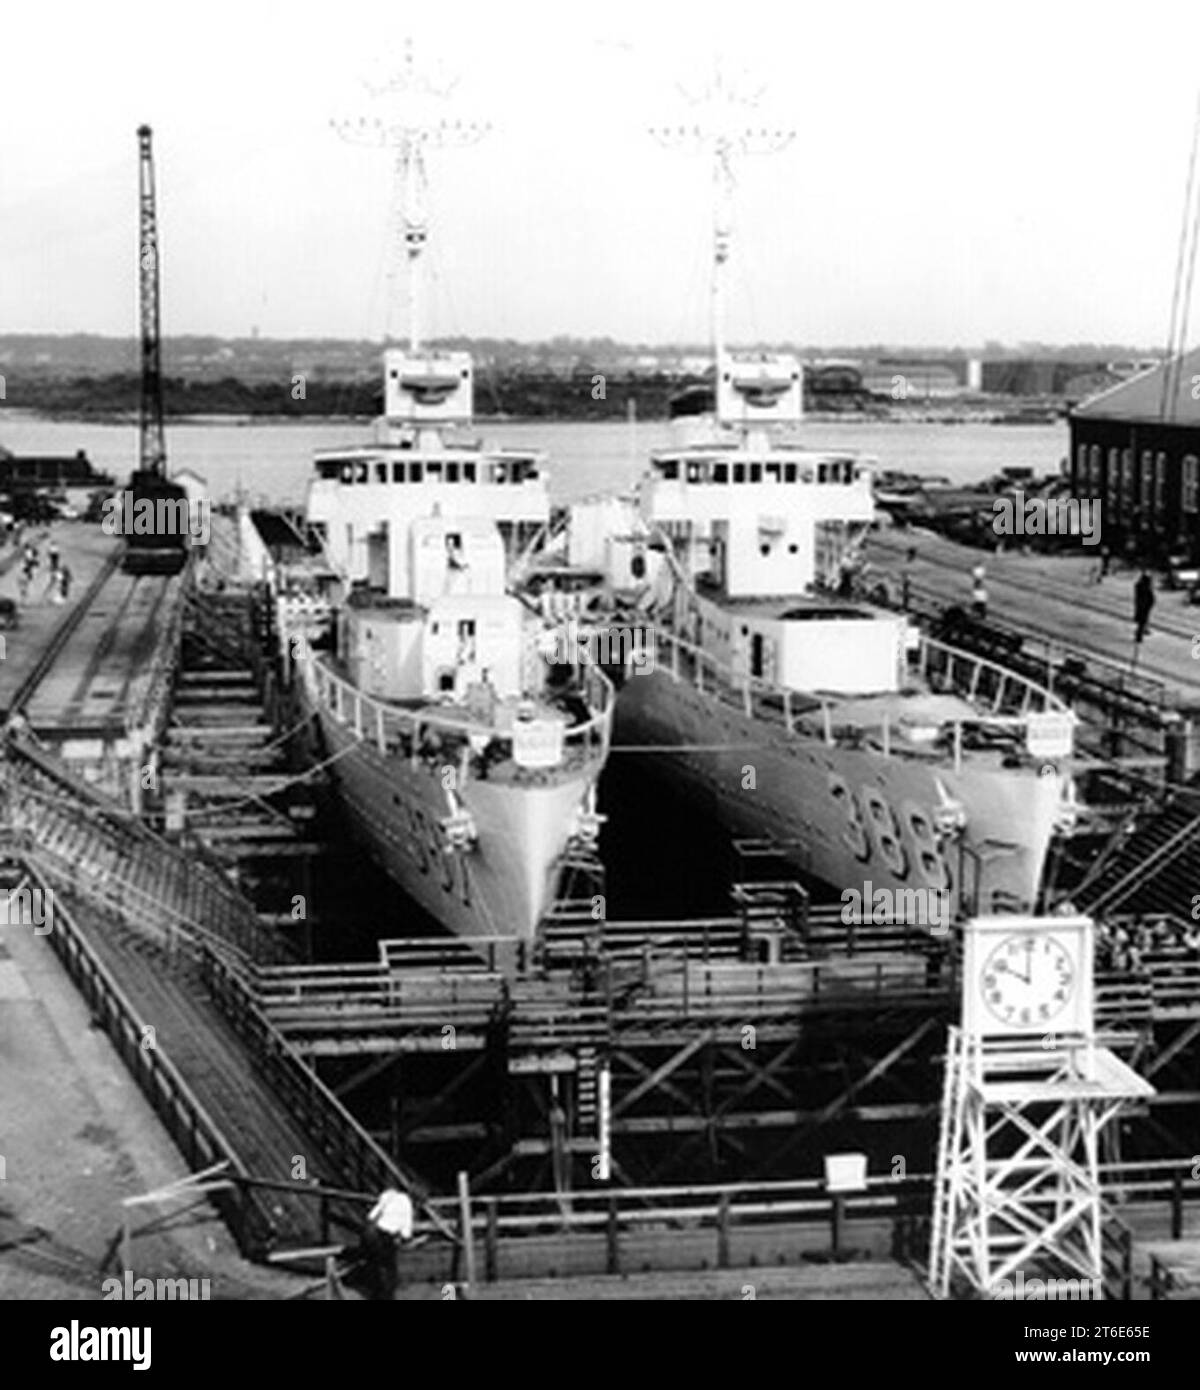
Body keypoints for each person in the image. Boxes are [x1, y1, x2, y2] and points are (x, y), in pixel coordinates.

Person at [363, 1187, 413, 1300]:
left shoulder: (389, 1197)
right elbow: (406, 1233)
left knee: (375, 1265)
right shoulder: (406, 1203)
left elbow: (371, 1216)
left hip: (369, 1233)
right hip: (383, 1236)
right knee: (389, 1269)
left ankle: (376, 1294)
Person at [1133, 570, 1154, 644]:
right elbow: (1150, 597)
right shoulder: (1146, 588)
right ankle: (1139, 637)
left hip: (1141, 606)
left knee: (1141, 621)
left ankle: (1140, 632)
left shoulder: (1139, 586)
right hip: (1144, 607)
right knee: (1142, 621)